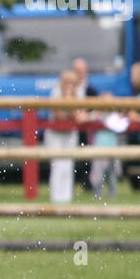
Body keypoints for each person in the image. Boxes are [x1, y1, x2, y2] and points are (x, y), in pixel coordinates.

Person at [45, 68, 86, 203]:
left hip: (70, 133)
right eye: (67, 82)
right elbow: (59, 115)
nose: (69, 85)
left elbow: (80, 114)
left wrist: (72, 102)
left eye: (72, 83)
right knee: (57, 164)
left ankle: (66, 198)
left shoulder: (79, 93)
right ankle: (56, 198)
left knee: (68, 164)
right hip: (55, 133)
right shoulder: (55, 92)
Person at [89, 92, 126, 200]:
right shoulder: (96, 114)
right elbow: (86, 118)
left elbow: (121, 125)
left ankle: (112, 195)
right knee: (98, 174)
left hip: (112, 147)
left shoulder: (114, 116)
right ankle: (97, 195)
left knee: (112, 174)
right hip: (98, 148)